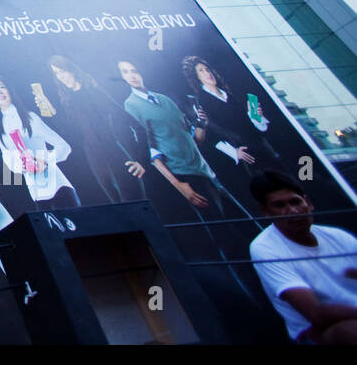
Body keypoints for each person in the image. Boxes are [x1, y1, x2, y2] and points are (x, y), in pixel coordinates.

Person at [117, 59, 259, 294]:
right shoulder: (131, 105)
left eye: (134, 70)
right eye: (125, 73)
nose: (131, 75)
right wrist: (179, 185)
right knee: (223, 243)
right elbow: (149, 150)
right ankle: (245, 298)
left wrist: (201, 123)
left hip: (207, 174)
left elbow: (195, 139)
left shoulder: (165, 100)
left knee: (246, 230)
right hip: (184, 178)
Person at [248, 170, 357, 345]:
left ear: (308, 203)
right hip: (318, 331)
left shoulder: (337, 236)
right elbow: (316, 314)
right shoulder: (264, 248)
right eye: (279, 205)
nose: (292, 211)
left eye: (295, 201)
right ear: (265, 211)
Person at [47, 55, 148, 204]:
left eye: (62, 71)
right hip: (96, 163)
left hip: (117, 158)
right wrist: (53, 114)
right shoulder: (67, 102)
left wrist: (141, 161)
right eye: (56, 73)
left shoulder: (94, 93)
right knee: (121, 213)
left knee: (137, 208)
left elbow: (137, 125)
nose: (61, 77)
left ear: (72, 70)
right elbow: (72, 137)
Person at [0, 74, 79, 210]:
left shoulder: (30, 118)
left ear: (10, 89)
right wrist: (20, 167)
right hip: (36, 194)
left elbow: (64, 147)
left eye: (2, 86)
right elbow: (6, 155)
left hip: (58, 187)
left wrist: (45, 160)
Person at [180, 54, 275, 167]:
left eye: (207, 69)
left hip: (264, 147)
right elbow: (212, 136)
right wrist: (234, 153)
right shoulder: (202, 103)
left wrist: (256, 117)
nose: (207, 73)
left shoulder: (229, 93)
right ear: (197, 77)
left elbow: (257, 126)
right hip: (247, 157)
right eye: (201, 71)